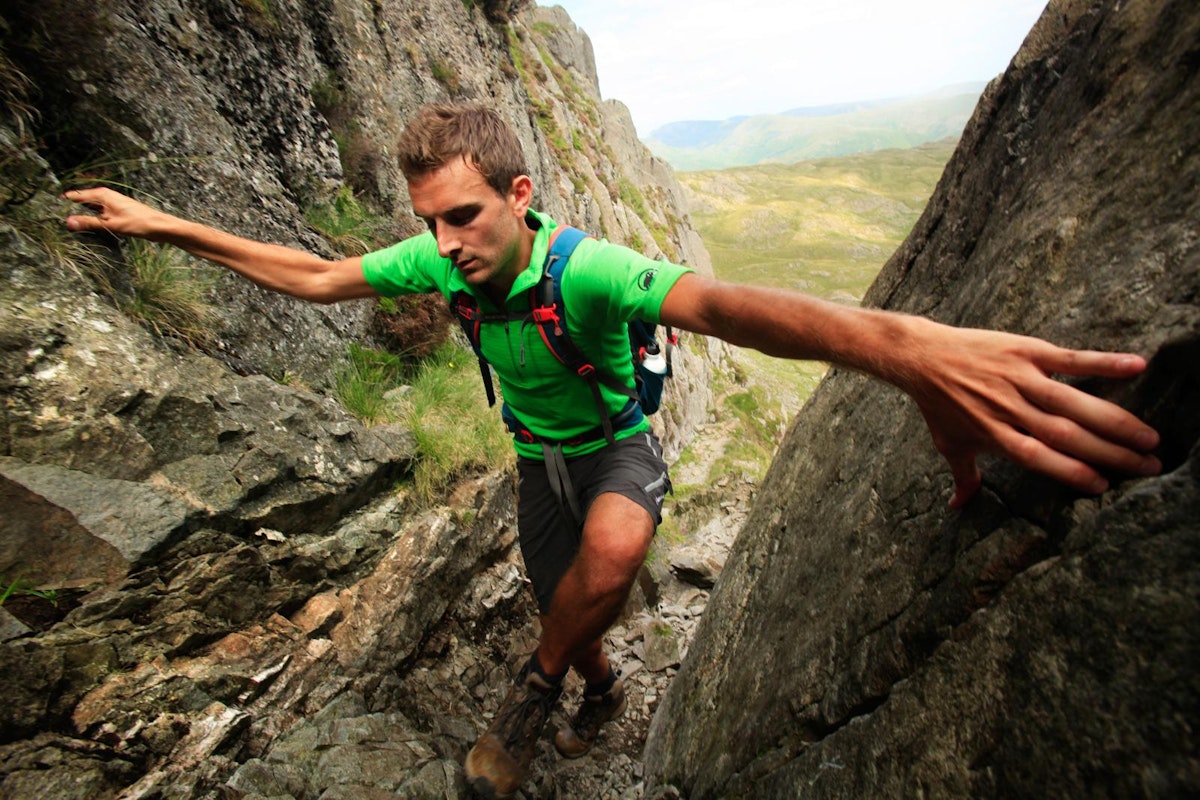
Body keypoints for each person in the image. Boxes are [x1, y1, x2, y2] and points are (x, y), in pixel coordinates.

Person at [64, 103, 1161, 800]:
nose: (445, 244)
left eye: (462, 217)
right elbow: (309, 273)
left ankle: (531, 698)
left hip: (614, 448)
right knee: (572, 604)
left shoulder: (586, 270)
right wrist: (160, 224)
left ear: (518, 197)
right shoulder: (442, 264)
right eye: (430, 222)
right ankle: (589, 680)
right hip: (537, 461)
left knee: (609, 565)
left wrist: (902, 343)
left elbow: (720, 302)